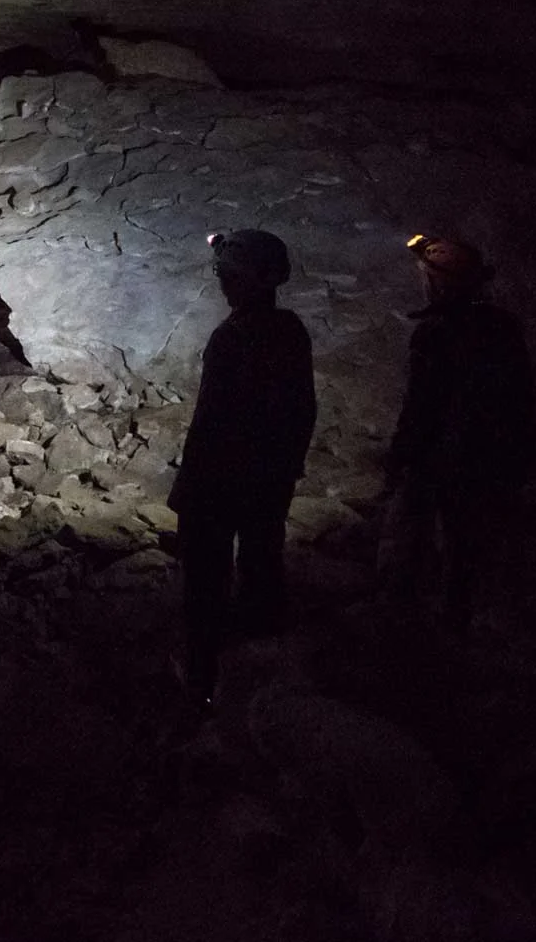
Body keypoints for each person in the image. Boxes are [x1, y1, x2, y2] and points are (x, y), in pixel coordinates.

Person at [171, 228, 317, 710]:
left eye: (230, 275)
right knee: (261, 566)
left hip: (220, 481)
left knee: (205, 582)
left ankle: (202, 682)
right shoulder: (290, 330)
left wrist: (188, 490)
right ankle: (261, 674)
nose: (223, 283)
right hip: (268, 478)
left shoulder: (231, 338)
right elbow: (303, 410)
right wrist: (286, 469)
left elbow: (210, 422)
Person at [380, 233, 536, 633]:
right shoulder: (502, 326)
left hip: (446, 460)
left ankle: (421, 632)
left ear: (439, 283)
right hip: (494, 457)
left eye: (426, 275)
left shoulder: (436, 334)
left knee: (422, 545)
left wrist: (399, 460)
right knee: (473, 548)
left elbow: (421, 407)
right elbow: (522, 397)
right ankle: (467, 619)